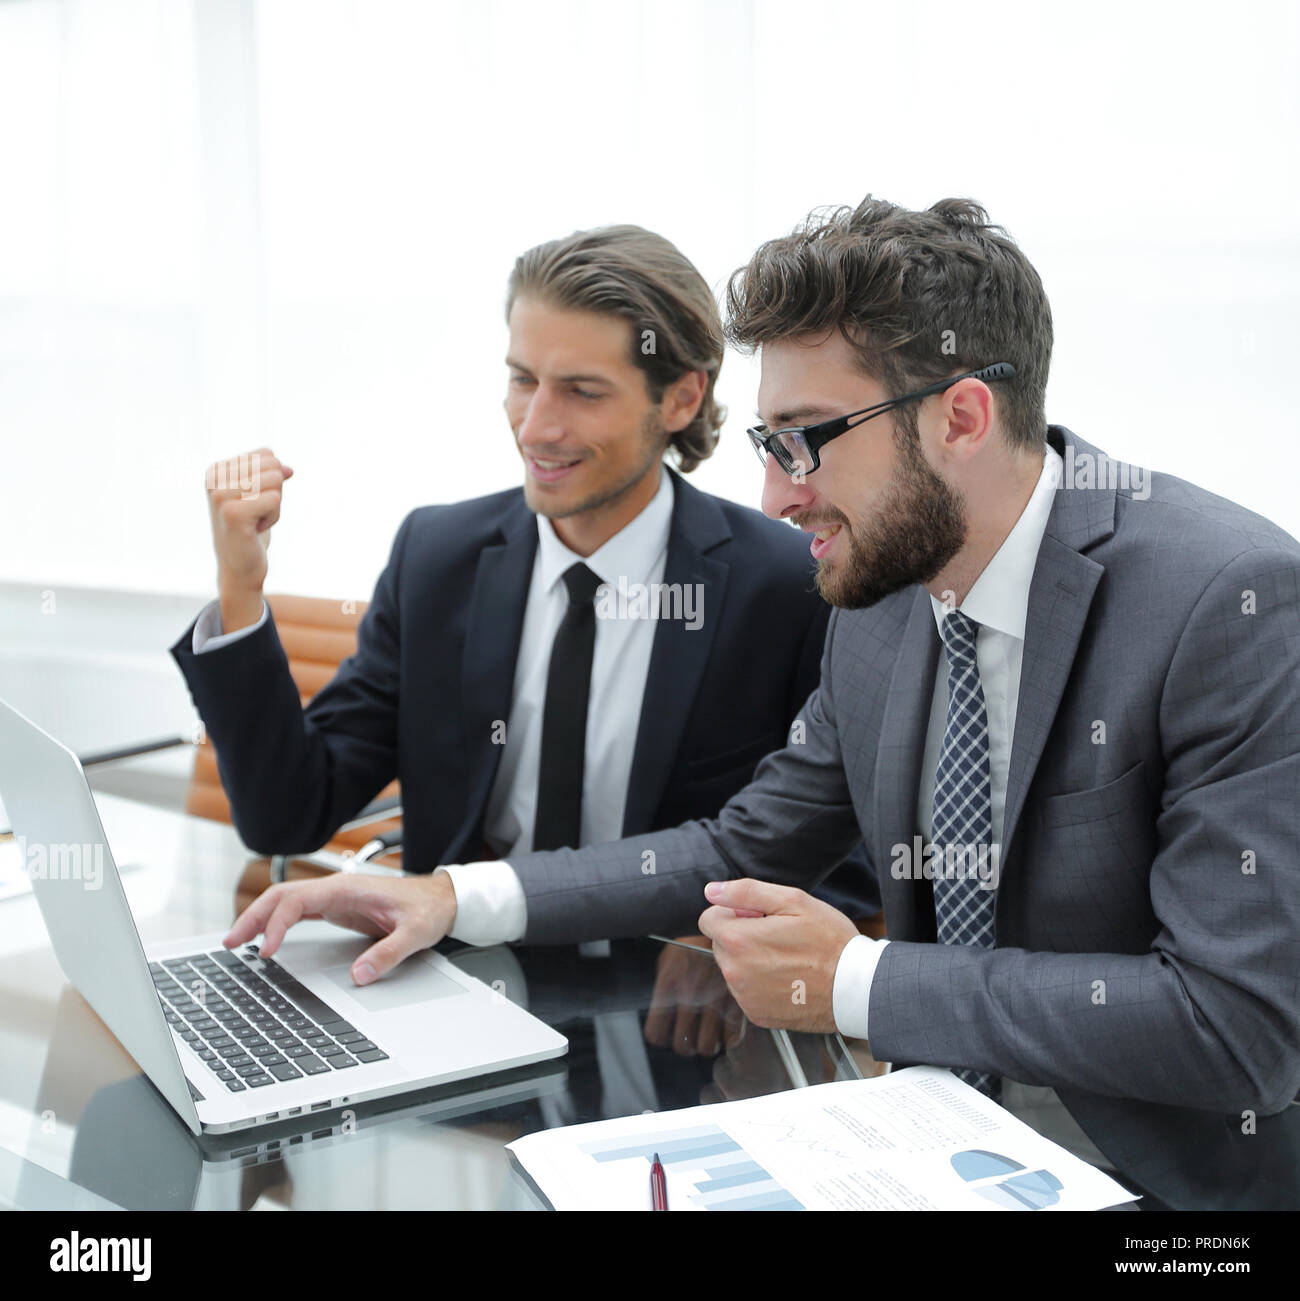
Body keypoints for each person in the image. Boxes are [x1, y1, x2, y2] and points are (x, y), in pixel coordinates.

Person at [224, 197, 1300, 1209]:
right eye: (766, 446)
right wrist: (457, 896)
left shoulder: (1228, 602)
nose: (779, 495)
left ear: (961, 416)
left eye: (806, 439)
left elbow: (1238, 1026)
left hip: (1156, 1184)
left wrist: (857, 978)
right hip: (919, 1143)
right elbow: (739, 845)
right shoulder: (880, 594)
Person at [171, 222, 878, 927]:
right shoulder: (438, 557)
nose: (536, 426)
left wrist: (726, 947)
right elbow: (287, 816)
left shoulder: (787, 585)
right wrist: (240, 589)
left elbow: (842, 862)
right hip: (453, 968)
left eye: (581, 391)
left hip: (663, 996)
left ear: (682, 399)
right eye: (522, 380)